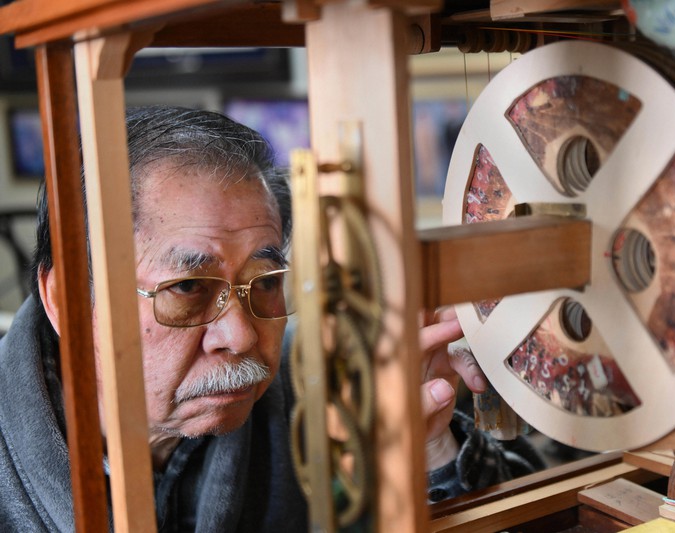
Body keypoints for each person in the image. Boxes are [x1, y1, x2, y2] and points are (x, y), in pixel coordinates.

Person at [0, 106, 539, 531]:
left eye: (266, 284)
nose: (240, 336)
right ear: (66, 300)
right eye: (188, 288)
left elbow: (535, 510)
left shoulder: (316, 378)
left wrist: (428, 447)